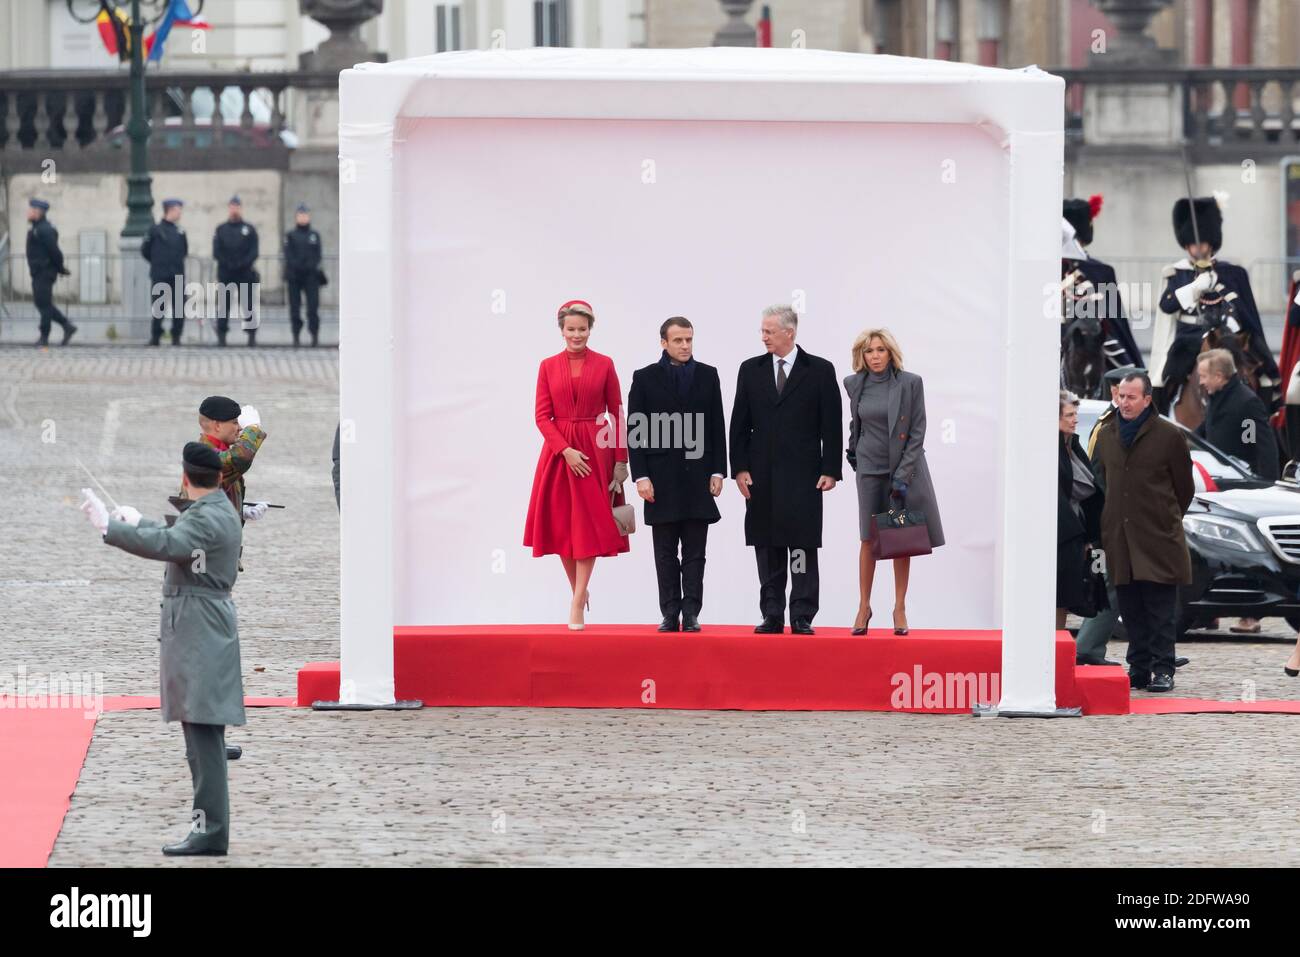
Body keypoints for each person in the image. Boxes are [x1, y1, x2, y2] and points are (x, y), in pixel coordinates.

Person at [80, 442, 246, 856]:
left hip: (200, 632)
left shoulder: (208, 518)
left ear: (185, 477)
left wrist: (112, 529)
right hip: (199, 627)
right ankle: (208, 829)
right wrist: (137, 521)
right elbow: (176, 536)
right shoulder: (214, 510)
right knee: (199, 735)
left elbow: (169, 546)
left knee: (204, 740)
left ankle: (209, 832)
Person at [730, 305, 842, 635]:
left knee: (801, 545)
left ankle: (802, 613)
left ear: (789, 333)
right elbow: (739, 424)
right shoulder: (750, 370)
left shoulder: (820, 370)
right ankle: (772, 613)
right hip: (761, 475)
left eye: (769, 331)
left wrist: (831, 469)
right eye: (762, 331)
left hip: (805, 475)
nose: (763, 337)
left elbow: (831, 424)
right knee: (768, 545)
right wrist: (739, 468)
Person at [523, 300, 630, 630]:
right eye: (571, 329)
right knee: (562, 527)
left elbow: (617, 413)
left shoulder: (605, 363)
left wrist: (621, 460)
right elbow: (542, 416)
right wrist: (565, 450)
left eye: (582, 329)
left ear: (590, 329)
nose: (577, 335)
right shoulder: (547, 366)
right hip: (560, 455)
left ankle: (576, 602)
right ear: (561, 330)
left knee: (589, 525)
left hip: (597, 450)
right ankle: (578, 593)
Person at [1091, 371, 1194, 693]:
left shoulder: (1169, 436)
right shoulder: (1107, 433)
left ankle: (1163, 668)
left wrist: (1163, 518)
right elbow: (1100, 484)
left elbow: (1184, 489)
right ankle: (1139, 667)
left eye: (1131, 397)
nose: (1124, 402)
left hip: (1157, 537)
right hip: (1120, 538)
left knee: (1160, 610)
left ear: (1147, 399)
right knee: (1131, 608)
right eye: (1121, 396)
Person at [627, 317, 727, 633]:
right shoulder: (644, 378)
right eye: (679, 340)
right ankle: (670, 613)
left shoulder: (708, 375)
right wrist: (640, 476)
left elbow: (716, 425)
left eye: (689, 340)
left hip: (699, 476)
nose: (685, 346)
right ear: (664, 343)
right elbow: (635, 430)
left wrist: (717, 470)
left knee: (696, 552)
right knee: (665, 552)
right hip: (660, 479)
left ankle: (692, 612)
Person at [843, 328, 944, 635]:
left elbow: (917, 430)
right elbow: (856, 421)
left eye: (880, 350)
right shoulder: (854, 383)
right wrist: (852, 450)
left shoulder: (910, 383)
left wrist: (902, 475)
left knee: (900, 538)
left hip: (901, 470)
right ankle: (864, 606)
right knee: (867, 538)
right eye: (869, 351)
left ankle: (899, 608)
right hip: (869, 469)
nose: (874, 356)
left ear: (890, 353)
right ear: (862, 355)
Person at [1151, 194, 1279, 417]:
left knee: (1262, 373)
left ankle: (1263, 421)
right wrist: (1196, 286)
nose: (1198, 249)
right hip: (1189, 336)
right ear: (1186, 245)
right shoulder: (1178, 272)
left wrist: (1231, 321)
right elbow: (1167, 305)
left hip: (1227, 333)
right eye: (1193, 244)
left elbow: (1245, 310)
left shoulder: (1232, 273)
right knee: (1165, 376)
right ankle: (1162, 418)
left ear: (1211, 243)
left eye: (1202, 243)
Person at [1061, 195, 1143, 372]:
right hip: (1059, 334)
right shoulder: (1054, 267)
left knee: (1127, 371)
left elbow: (1114, 318)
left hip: (1092, 333)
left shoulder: (1101, 271)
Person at [1056, 390, 1104, 632]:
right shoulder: (1051, 450)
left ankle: (1057, 650)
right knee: (1056, 597)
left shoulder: (1072, 445)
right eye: (1069, 415)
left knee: (1065, 598)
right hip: (1061, 536)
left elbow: (1091, 490)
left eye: (1076, 414)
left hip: (1077, 534)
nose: (1075, 419)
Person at [190, 395, 267, 526]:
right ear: (218, 425)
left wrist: (240, 511)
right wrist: (253, 429)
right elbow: (239, 458)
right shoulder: (201, 455)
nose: (239, 428)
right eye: (235, 422)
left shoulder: (220, 451)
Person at [26, 198, 76, 347]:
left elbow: (55, 252)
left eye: (31, 210)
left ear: (38, 212)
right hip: (38, 272)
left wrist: (60, 268)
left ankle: (44, 336)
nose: (28, 212)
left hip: (44, 272)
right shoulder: (37, 228)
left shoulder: (45, 229)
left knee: (44, 305)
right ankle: (67, 326)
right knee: (43, 303)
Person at [212, 195, 259, 347]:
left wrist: (242, 263)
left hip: (244, 273)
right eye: (232, 206)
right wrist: (228, 263)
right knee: (224, 306)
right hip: (226, 273)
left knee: (247, 306)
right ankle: (222, 335)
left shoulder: (249, 229)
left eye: (237, 206)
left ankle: (251, 336)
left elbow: (254, 251)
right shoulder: (221, 229)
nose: (234, 209)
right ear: (229, 208)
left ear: (241, 208)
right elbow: (217, 251)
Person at [142, 198, 189, 346]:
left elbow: (184, 251)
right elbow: (145, 250)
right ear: (170, 210)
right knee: (158, 308)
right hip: (160, 274)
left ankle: (176, 336)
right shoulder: (155, 230)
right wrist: (157, 263)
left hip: (177, 274)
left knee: (179, 308)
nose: (180, 212)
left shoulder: (180, 231)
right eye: (178, 209)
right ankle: (156, 336)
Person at [284, 203, 323, 347]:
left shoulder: (314, 235)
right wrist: (298, 267)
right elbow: (289, 255)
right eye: (300, 215)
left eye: (305, 215)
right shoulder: (290, 235)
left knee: (312, 308)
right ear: (296, 217)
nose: (303, 217)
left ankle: (314, 336)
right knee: (295, 309)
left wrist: (308, 267)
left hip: (311, 277)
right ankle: (296, 336)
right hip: (294, 277)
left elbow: (317, 255)